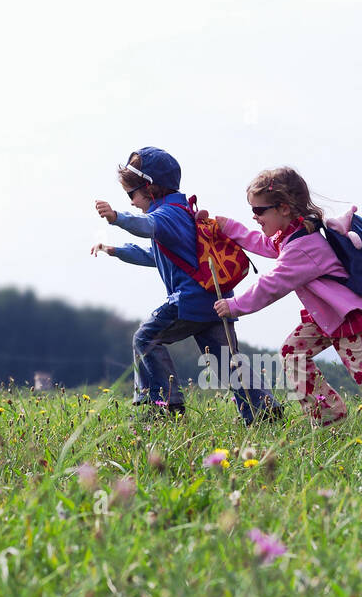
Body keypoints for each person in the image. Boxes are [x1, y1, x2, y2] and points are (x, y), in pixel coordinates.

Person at [91, 147, 281, 424]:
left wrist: (117, 218)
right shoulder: (180, 212)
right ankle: (264, 410)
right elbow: (153, 256)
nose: (131, 201)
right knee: (227, 361)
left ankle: (164, 406)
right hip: (214, 300)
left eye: (131, 194)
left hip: (190, 301)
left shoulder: (167, 214)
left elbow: (146, 226)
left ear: (150, 189)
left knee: (145, 339)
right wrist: (116, 250)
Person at [213, 167, 362, 428]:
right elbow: (267, 245)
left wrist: (235, 305)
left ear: (284, 208)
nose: (254, 216)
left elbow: (272, 285)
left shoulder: (302, 247)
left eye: (259, 210)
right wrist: (228, 227)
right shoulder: (293, 237)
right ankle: (328, 414)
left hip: (347, 318)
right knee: (292, 353)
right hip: (326, 318)